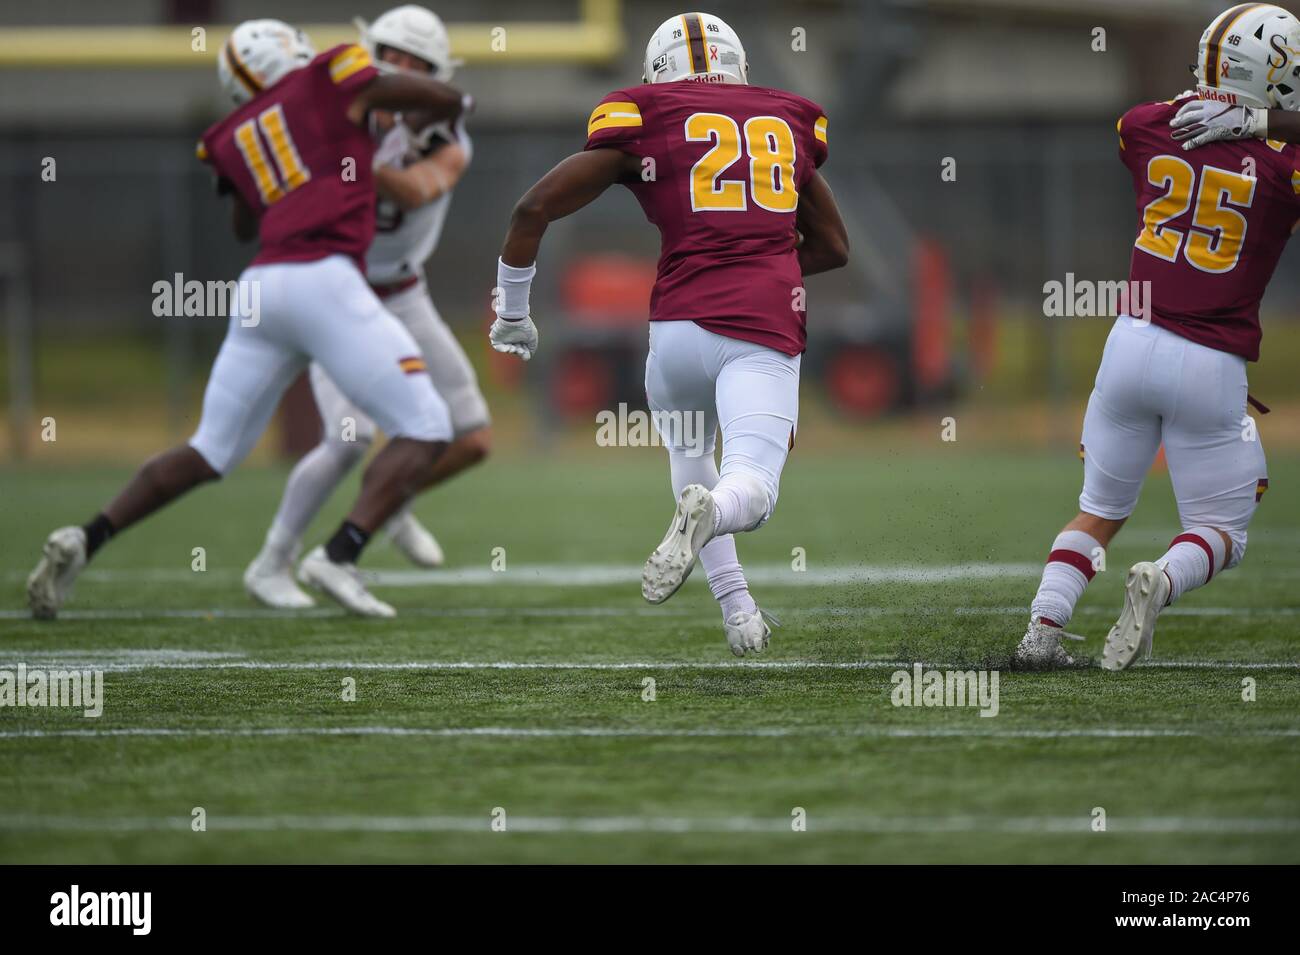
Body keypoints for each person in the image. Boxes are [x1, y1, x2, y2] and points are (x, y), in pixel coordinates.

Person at [26, 19, 469, 620]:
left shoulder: (229, 132)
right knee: (428, 425)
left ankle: (87, 536)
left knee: (209, 450)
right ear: (293, 50)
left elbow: (244, 223)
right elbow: (442, 98)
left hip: (262, 288)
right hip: (326, 277)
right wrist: (390, 101)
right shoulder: (330, 75)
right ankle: (337, 554)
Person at [488, 12, 848, 655]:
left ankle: (740, 615)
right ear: (740, 66)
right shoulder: (786, 118)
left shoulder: (645, 116)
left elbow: (531, 209)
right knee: (752, 491)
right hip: (759, 323)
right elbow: (833, 247)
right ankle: (712, 522)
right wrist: (765, 258)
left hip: (674, 331)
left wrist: (512, 311)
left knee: (691, 459)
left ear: (657, 71)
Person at [1016, 3, 1297, 670]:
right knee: (1220, 531)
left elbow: (1151, 124)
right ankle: (1162, 579)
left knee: (1099, 510)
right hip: (1210, 361)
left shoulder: (1147, 125)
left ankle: (1041, 634)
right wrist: (1263, 124)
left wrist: (1242, 113)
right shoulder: (1285, 169)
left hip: (1130, 343)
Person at [244, 6, 492, 609]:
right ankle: (273, 561)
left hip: (405, 293)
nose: (399, 70)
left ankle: (391, 503)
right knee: (350, 437)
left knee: (472, 439)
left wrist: (351, 158)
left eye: (415, 65)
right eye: (391, 56)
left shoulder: (445, 137)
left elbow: (416, 187)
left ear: (433, 75)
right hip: (338, 290)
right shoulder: (331, 115)